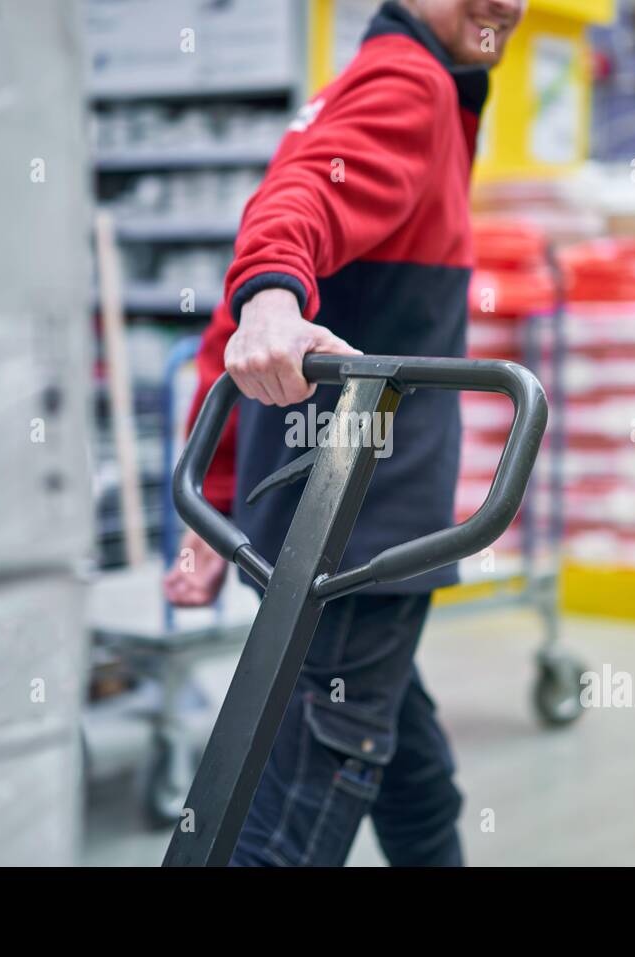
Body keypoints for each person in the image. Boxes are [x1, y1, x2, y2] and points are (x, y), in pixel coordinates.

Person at [162, 0, 528, 866]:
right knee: (295, 813)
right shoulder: (411, 81)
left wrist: (212, 496)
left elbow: (229, 326)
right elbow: (292, 212)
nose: (504, 3)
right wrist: (275, 296)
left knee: (413, 781)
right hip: (360, 542)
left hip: (314, 531)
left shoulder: (369, 83)